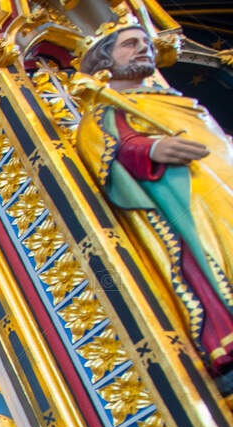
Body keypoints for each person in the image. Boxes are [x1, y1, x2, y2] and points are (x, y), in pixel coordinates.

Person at [76, 23, 233, 374]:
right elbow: (106, 146)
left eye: (145, 42)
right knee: (217, 249)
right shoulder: (106, 110)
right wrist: (154, 148)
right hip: (188, 197)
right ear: (105, 61)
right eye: (129, 44)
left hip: (222, 182)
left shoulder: (176, 101)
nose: (142, 48)